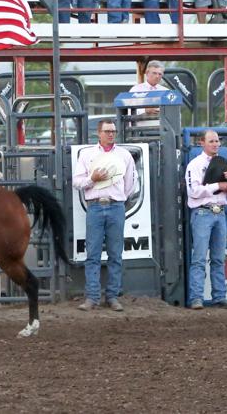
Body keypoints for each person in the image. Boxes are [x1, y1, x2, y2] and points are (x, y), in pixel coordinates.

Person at [72, 120, 138, 311]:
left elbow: (131, 182)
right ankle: (94, 296)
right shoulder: (87, 154)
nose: (111, 134)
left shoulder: (124, 155)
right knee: (94, 253)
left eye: (113, 131)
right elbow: (77, 182)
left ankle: (110, 296)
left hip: (113, 206)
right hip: (97, 206)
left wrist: (119, 198)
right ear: (98, 133)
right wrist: (92, 180)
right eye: (107, 131)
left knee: (114, 254)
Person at [185, 130, 227, 309]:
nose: (215, 144)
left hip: (218, 211)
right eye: (211, 141)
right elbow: (194, 191)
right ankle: (197, 298)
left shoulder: (225, 164)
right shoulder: (195, 164)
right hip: (204, 211)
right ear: (202, 143)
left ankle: (218, 296)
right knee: (200, 257)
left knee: (217, 258)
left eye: (217, 141)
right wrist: (220, 185)